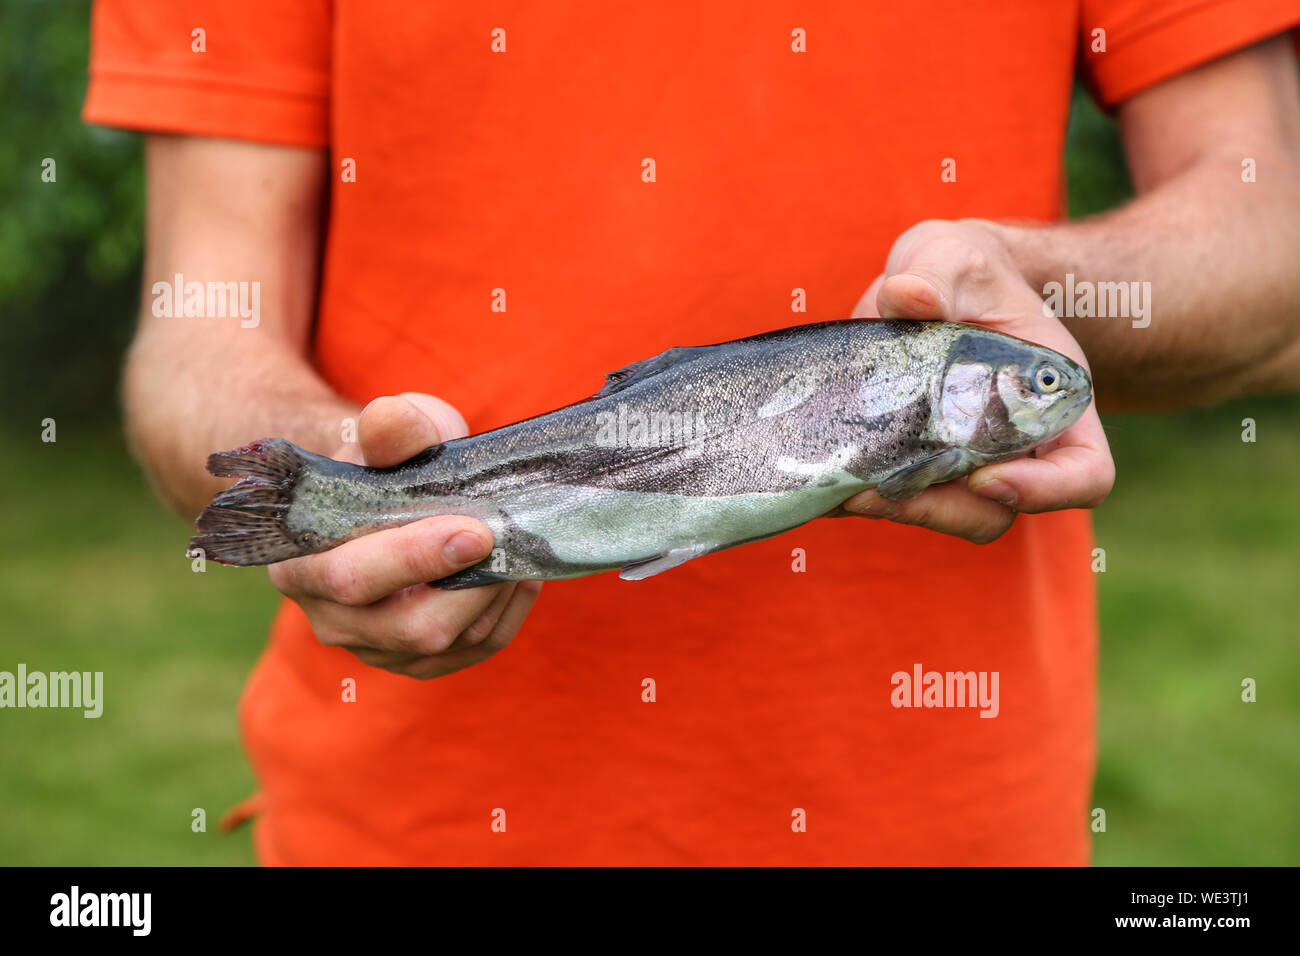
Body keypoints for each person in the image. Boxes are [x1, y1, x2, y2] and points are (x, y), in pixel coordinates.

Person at [85, 1, 1300, 864]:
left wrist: (1028, 279)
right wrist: (336, 480)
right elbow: (200, 324)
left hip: (946, 825)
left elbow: (1268, 241)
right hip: (410, 833)